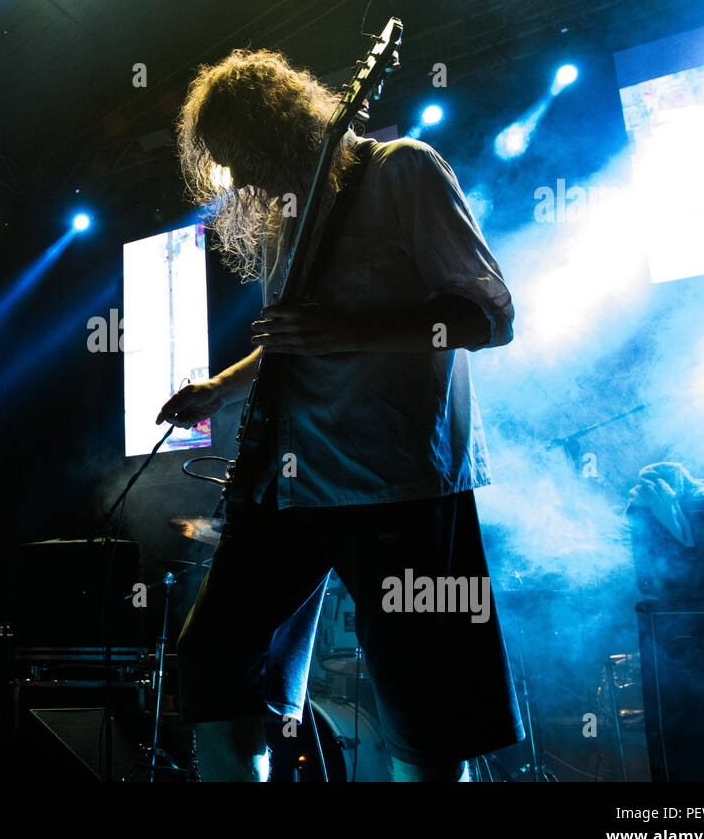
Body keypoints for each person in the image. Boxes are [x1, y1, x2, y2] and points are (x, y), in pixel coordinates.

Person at [157, 49, 525, 781]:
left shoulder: (403, 171)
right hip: (288, 484)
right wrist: (217, 389)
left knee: (425, 713)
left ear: (285, 128)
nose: (245, 181)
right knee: (214, 667)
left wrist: (351, 332)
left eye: (249, 158)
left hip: (395, 482)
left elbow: (490, 316)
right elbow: (288, 347)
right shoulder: (285, 216)